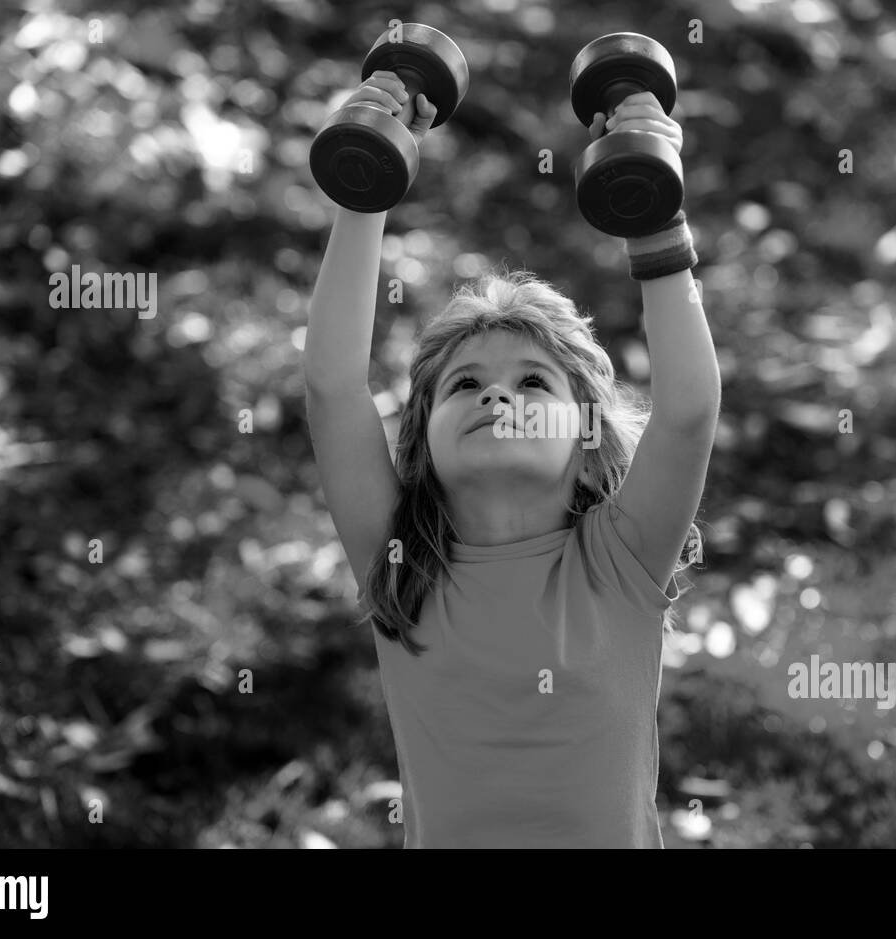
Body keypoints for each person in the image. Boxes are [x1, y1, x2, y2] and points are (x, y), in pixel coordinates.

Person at [303, 70, 721, 847]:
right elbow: (332, 387)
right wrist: (366, 181)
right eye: (466, 384)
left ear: (590, 444)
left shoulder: (619, 562)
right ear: (422, 447)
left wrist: (656, 211)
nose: (498, 398)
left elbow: (690, 411)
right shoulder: (401, 564)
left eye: (532, 381)